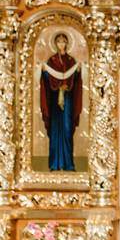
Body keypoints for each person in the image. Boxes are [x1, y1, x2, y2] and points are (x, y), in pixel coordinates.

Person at [39, 32, 83, 172]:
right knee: (55, 130)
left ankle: (68, 164)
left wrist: (77, 72)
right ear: (55, 44)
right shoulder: (51, 61)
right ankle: (54, 164)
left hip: (68, 100)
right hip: (54, 101)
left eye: (64, 42)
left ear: (67, 44)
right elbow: (46, 80)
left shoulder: (71, 61)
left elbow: (75, 81)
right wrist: (45, 72)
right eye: (59, 42)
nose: (61, 44)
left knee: (67, 129)